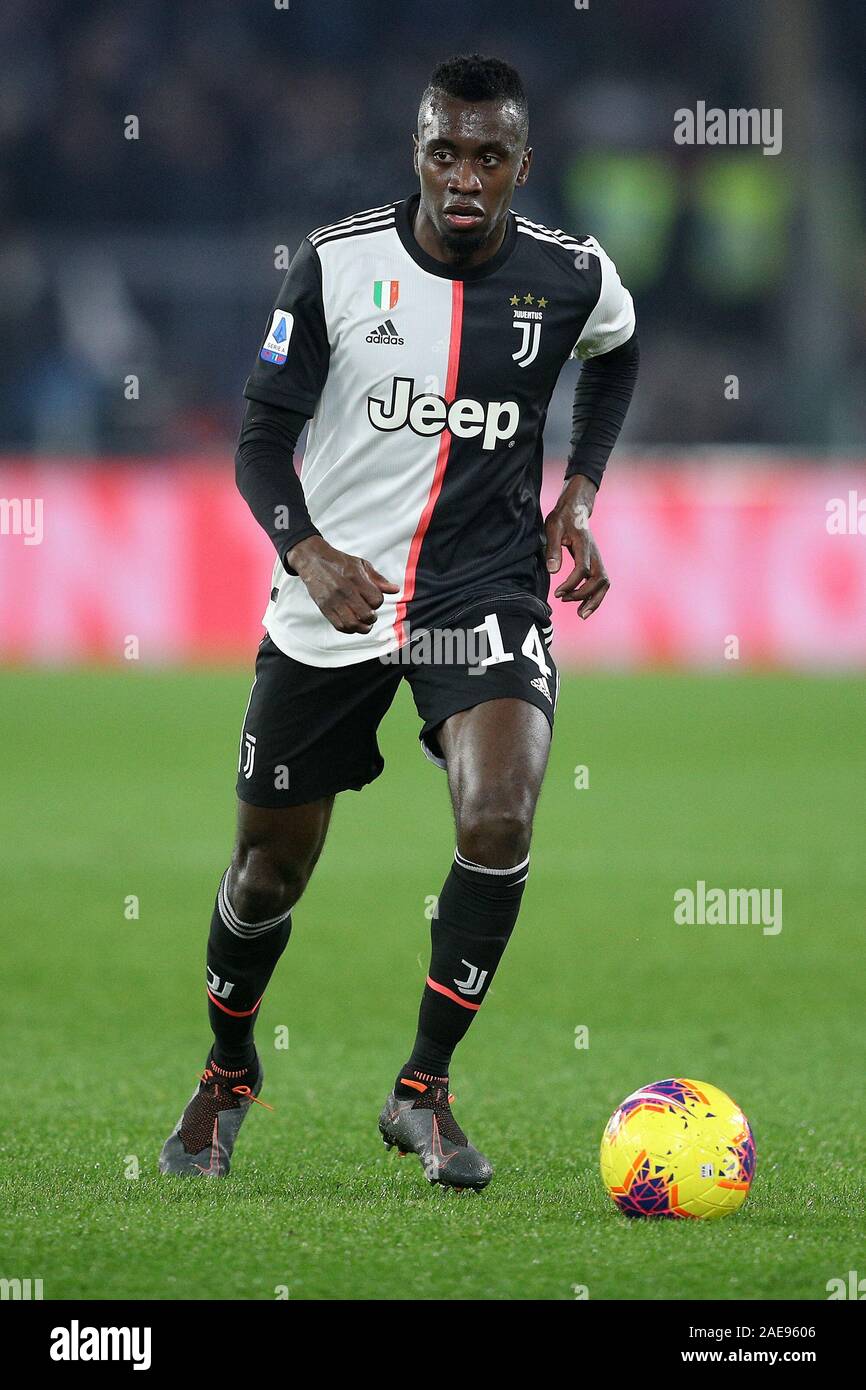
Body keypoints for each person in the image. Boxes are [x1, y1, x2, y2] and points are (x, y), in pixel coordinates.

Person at [160, 53, 638, 1190]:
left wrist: (577, 491)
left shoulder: (570, 276)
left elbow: (615, 353)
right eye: (442, 151)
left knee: (499, 814)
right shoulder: (335, 265)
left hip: (482, 591)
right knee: (267, 873)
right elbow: (258, 438)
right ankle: (227, 1071)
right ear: (415, 153)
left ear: (524, 166)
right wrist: (306, 550)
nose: (462, 176)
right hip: (335, 594)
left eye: (487, 156)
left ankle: (421, 1089)